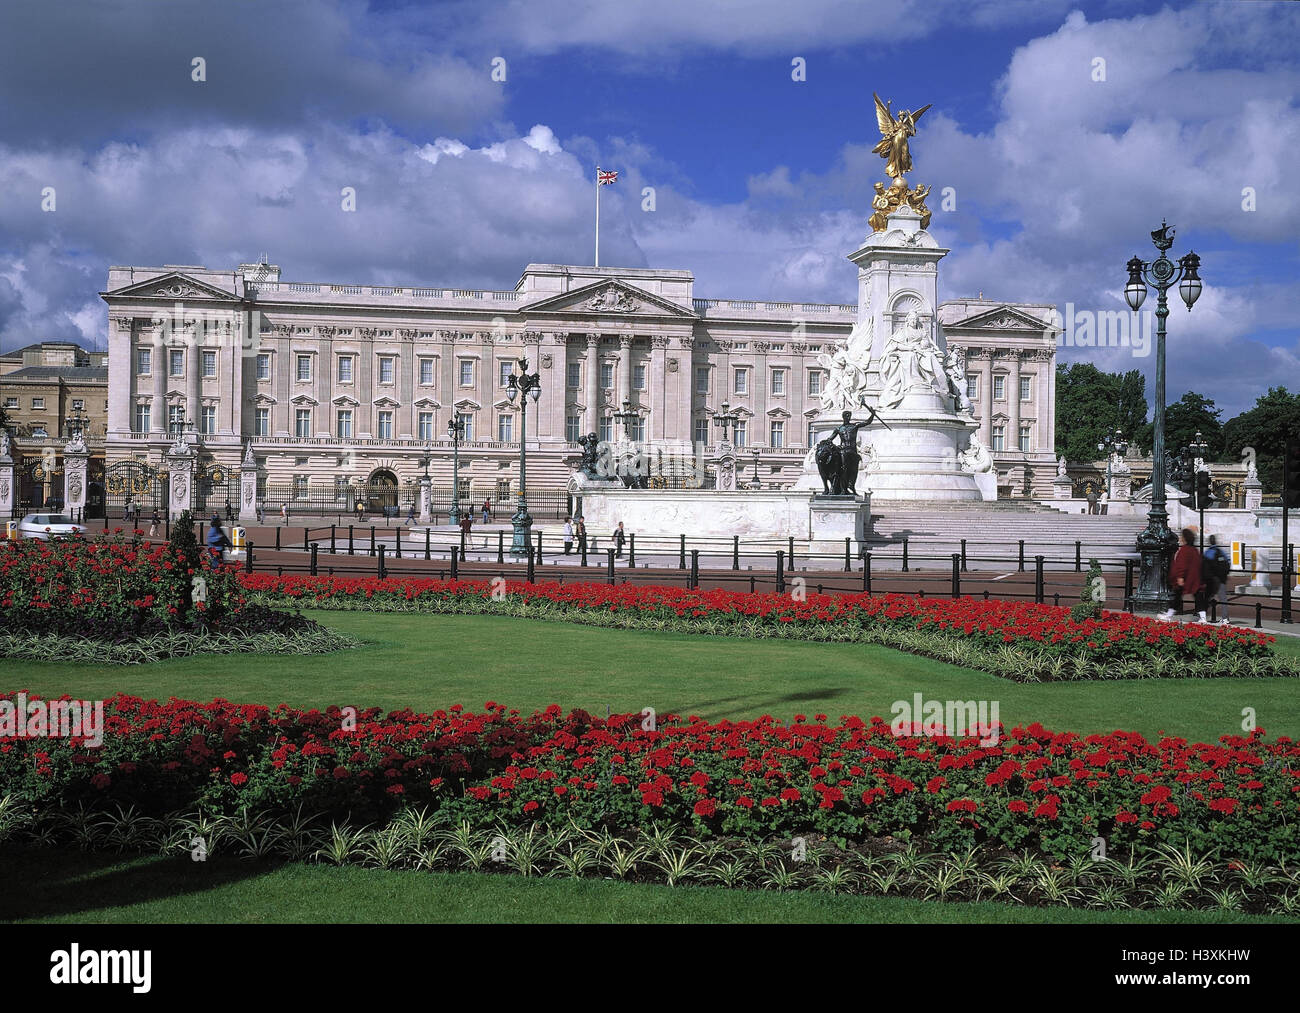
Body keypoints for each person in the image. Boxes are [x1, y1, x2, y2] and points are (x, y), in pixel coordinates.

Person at [1164, 527, 1206, 623]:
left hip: (1186, 578)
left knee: (1177, 597)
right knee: (1198, 597)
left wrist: (1180, 576)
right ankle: (1203, 617)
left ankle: (1168, 615)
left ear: (1185, 538)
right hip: (1195, 578)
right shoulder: (1194, 550)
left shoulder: (1184, 550)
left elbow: (1182, 564)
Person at [1203, 534, 1232, 625]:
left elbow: (1205, 566)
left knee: (1206, 598)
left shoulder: (1208, 552)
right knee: (1223, 598)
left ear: (1209, 542)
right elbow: (1227, 562)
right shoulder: (1221, 551)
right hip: (1221, 578)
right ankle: (1225, 618)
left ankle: (1203, 617)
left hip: (1212, 579)